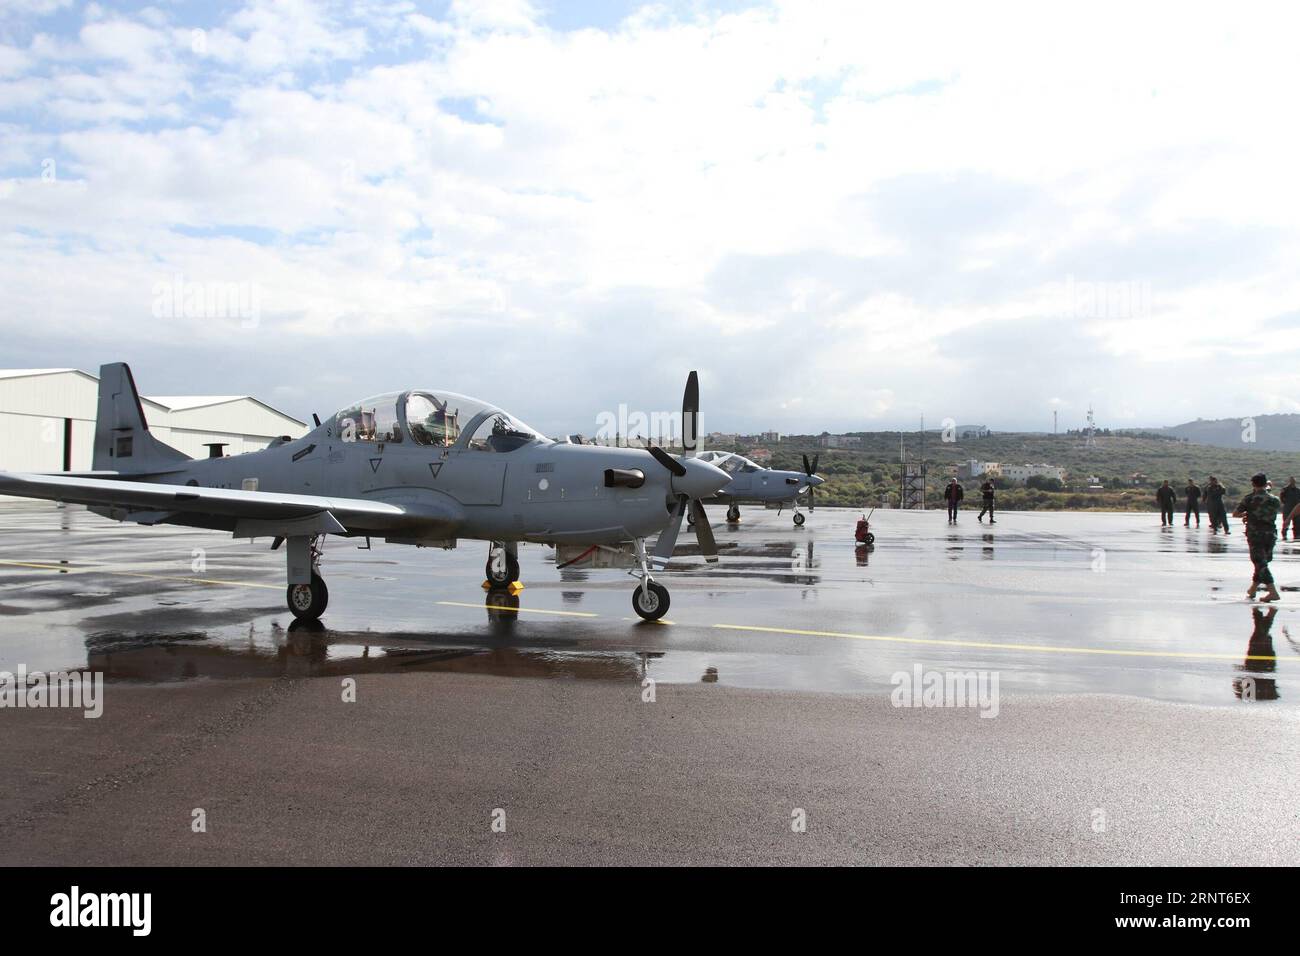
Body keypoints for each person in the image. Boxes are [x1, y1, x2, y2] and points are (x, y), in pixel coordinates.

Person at [1232, 473, 1281, 602]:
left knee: (1260, 562)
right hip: (1270, 534)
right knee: (1262, 562)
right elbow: (1265, 496)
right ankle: (1253, 589)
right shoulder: (1274, 499)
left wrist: (1246, 515)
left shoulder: (1249, 499)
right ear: (1265, 484)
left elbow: (1235, 513)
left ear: (1253, 484)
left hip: (1256, 534)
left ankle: (1273, 592)